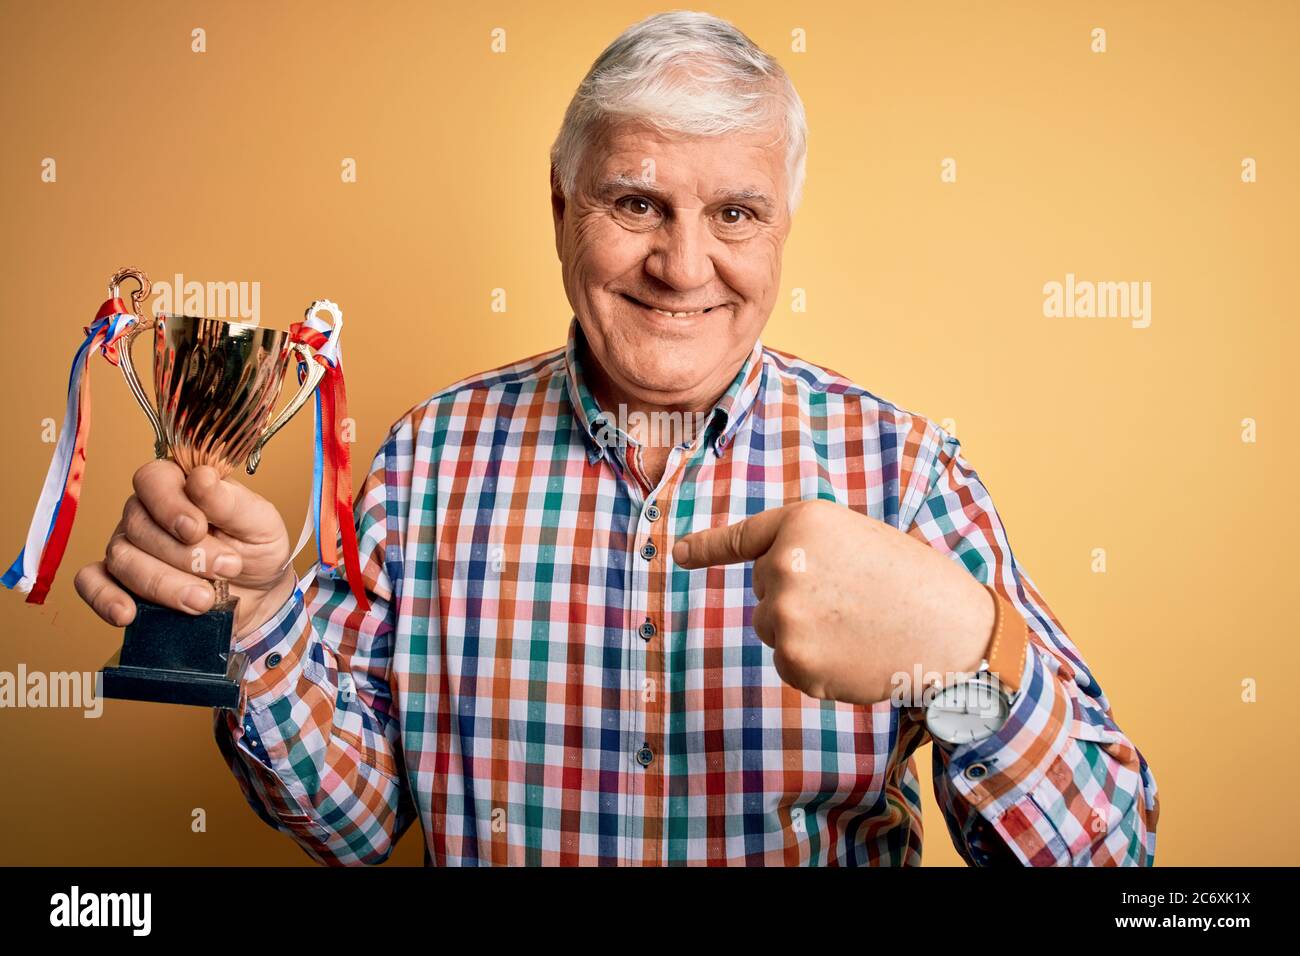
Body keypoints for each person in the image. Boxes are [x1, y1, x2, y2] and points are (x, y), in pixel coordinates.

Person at [73, 10, 1158, 866]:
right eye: (636, 204)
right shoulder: (425, 462)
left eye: (735, 214)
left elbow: (1112, 856)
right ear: (559, 209)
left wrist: (964, 658)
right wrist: (258, 614)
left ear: (781, 225)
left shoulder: (903, 471)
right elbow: (347, 827)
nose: (684, 267)